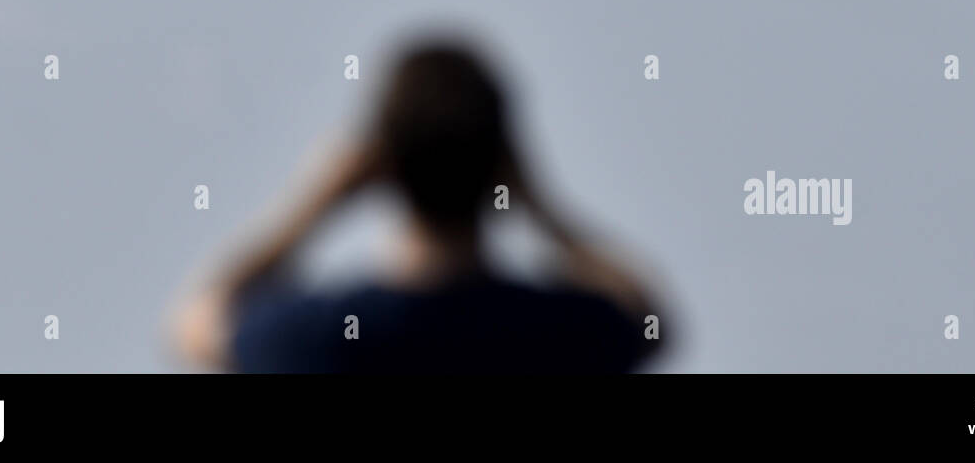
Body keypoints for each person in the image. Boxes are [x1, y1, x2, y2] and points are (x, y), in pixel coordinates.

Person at [169, 39, 664, 372]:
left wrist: (313, 205)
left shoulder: (323, 335)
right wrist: (544, 210)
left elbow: (197, 322)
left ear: (380, 166)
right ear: (502, 166)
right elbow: (650, 320)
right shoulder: (556, 332)